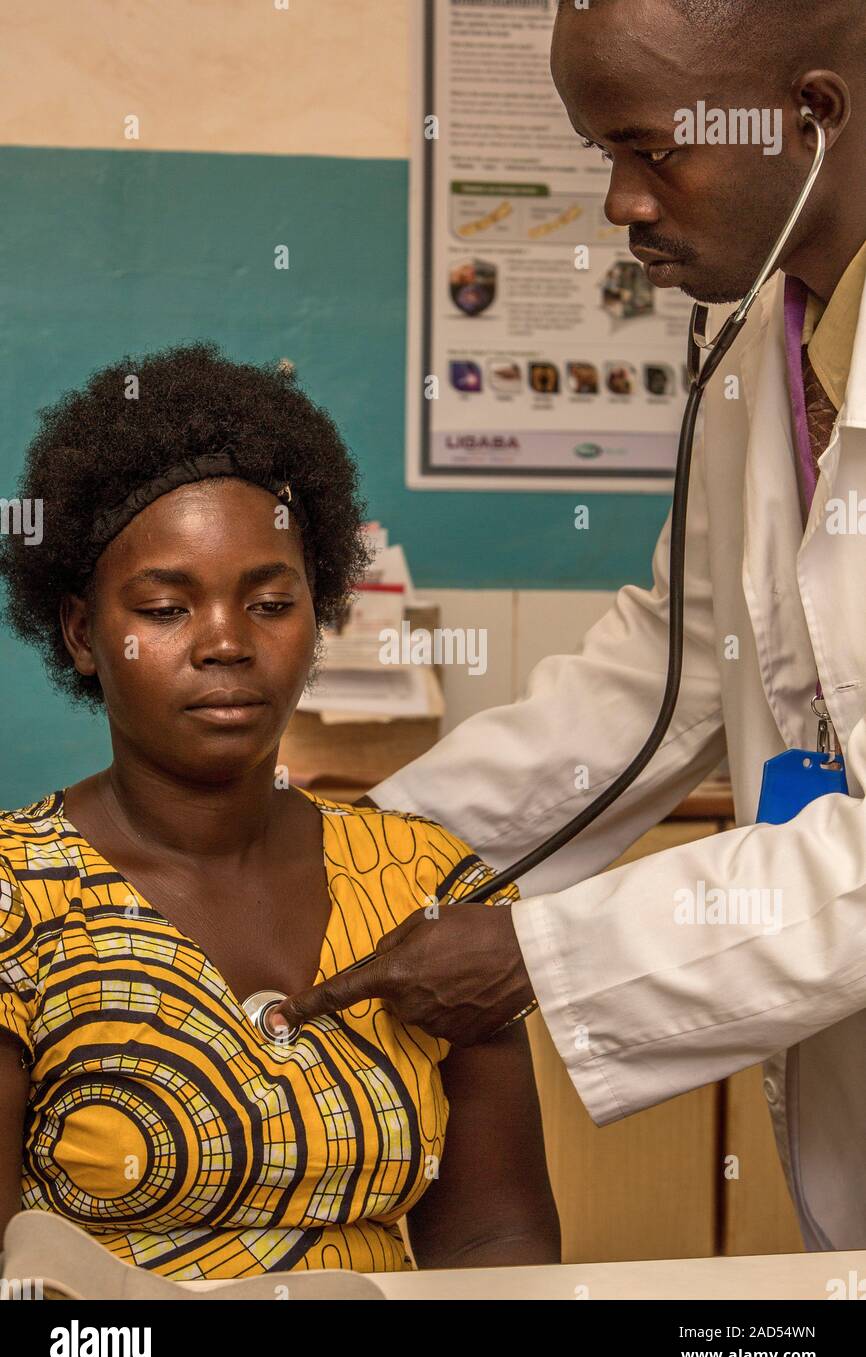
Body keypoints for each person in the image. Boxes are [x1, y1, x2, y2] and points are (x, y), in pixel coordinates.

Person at [278, 0, 866, 1253]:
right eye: (601, 155)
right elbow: (666, 670)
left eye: (650, 149)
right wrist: (349, 857)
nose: (620, 205)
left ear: (811, 116)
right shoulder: (766, 350)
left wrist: (547, 956)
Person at [0, 342, 559, 1278]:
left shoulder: (427, 886)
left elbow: (494, 1241)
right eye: (166, 609)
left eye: (269, 601)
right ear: (82, 634)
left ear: (320, 610)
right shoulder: (17, 896)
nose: (226, 643)